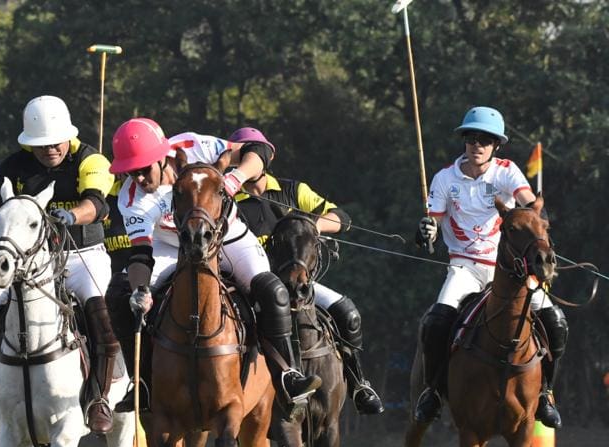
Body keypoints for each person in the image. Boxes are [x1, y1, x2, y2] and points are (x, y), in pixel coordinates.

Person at [105, 118, 320, 414]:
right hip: (170, 248)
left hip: (226, 235)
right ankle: (141, 382)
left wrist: (234, 178)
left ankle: (287, 375)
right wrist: (140, 290)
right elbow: (141, 254)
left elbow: (258, 151)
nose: (138, 179)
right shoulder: (132, 199)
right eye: (131, 172)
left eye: (143, 170)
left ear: (161, 157)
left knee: (273, 292)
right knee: (118, 294)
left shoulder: (193, 146)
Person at [0, 95, 120, 434]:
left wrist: (71, 215)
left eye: (55, 142)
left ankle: (99, 398)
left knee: (99, 316)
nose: (49, 150)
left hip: (81, 256)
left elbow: (97, 204)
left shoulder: (90, 159)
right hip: (28, 262)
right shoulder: (11, 166)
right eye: (41, 145)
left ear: (68, 135)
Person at [414, 106, 568, 428]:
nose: (477, 144)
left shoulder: (506, 171)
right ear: (465, 141)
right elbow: (435, 219)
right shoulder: (445, 179)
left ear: (496, 145)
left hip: (510, 270)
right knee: (436, 321)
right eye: (471, 137)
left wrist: (538, 231)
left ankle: (545, 394)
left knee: (556, 322)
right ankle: (432, 392)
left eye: (485, 139)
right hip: (465, 268)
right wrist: (427, 229)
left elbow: (526, 201)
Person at [227, 126, 384, 415]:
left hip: (298, 283)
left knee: (346, 312)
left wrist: (311, 225)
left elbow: (341, 218)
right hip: (253, 286)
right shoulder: (230, 202)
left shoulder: (293, 190)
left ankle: (358, 383)